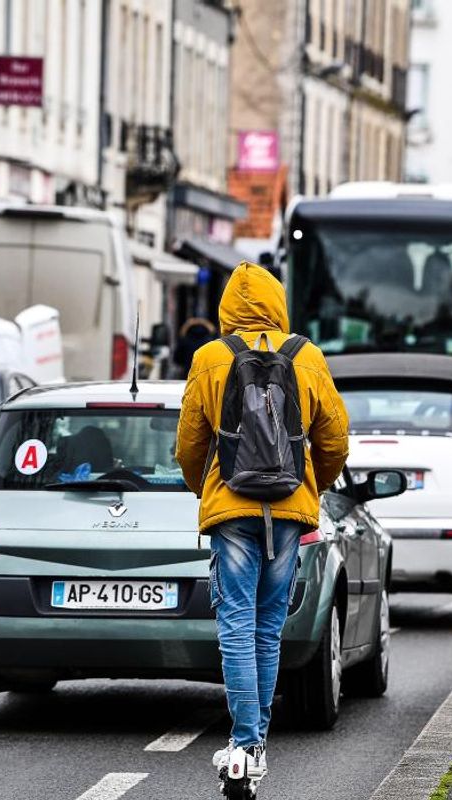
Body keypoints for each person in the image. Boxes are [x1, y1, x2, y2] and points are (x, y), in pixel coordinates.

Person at [175, 262, 349, 782]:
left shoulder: (210, 357)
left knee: (235, 623)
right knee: (269, 627)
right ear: (278, 302)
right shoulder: (307, 357)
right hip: (289, 513)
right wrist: (309, 486)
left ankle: (244, 744)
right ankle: (257, 745)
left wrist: (204, 488)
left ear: (227, 309)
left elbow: (189, 444)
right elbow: (335, 440)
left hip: (231, 511)